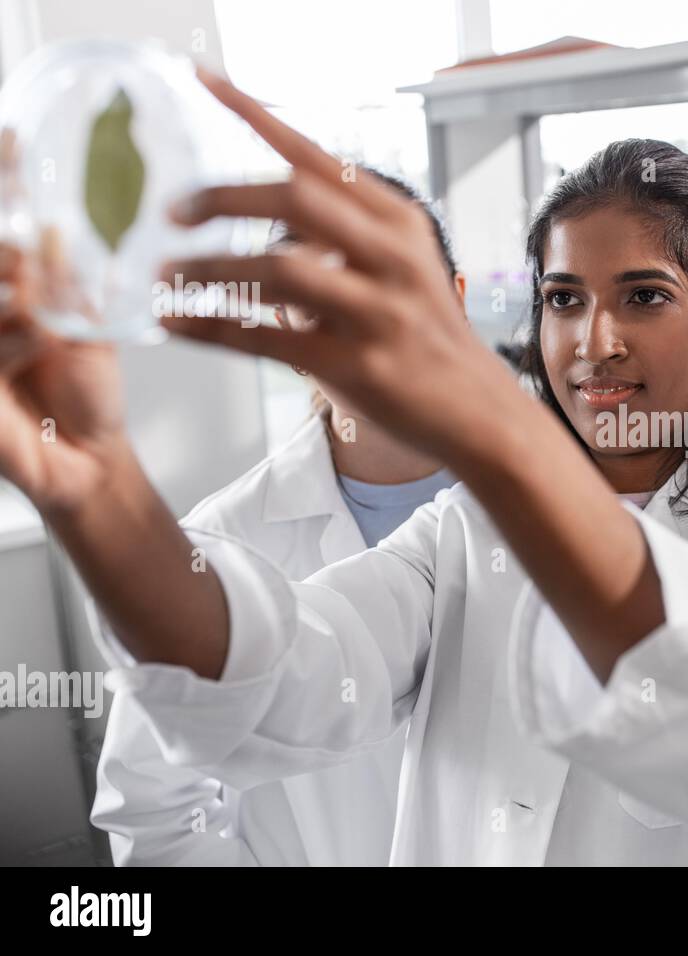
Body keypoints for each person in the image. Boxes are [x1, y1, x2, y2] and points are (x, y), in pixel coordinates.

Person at [0, 123, 688, 863]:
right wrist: (101, 491)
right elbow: (300, 670)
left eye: (645, 297)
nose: (595, 340)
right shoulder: (460, 531)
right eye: (563, 298)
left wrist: (498, 434)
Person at [90, 169, 465, 866]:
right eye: (312, 297)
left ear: (456, 301)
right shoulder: (221, 543)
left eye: (383, 278)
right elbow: (152, 810)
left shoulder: (557, 507)